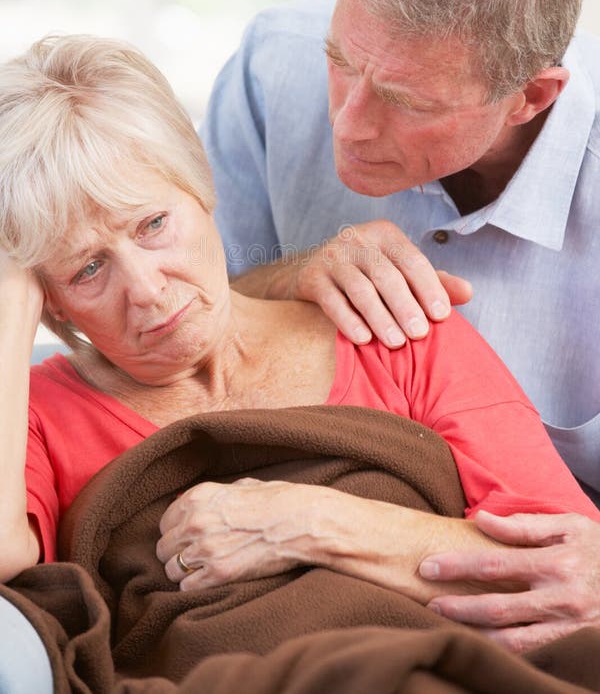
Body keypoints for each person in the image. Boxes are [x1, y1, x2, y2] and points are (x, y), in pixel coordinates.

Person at [0, 35, 597, 691]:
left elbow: (574, 571)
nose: (145, 288)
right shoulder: (33, 415)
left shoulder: (391, 329)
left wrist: (310, 524)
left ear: (199, 189)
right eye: (87, 268)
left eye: (152, 225)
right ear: (47, 299)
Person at [200, 0, 600, 650]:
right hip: (273, 532)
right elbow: (173, 320)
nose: (346, 124)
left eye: (407, 102)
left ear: (531, 97)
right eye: (342, 61)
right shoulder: (267, 68)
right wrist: (290, 278)